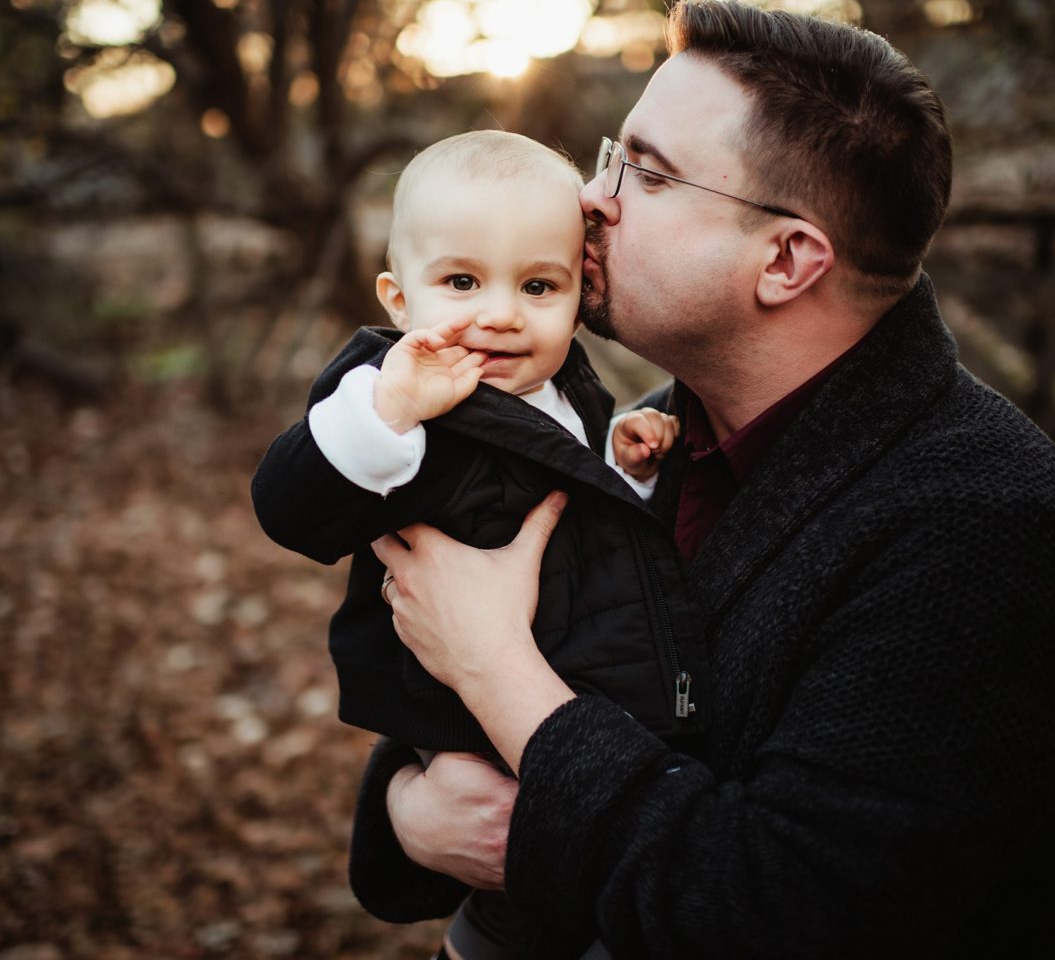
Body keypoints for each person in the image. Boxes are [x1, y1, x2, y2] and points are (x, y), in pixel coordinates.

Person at [352, 0, 1055, 959]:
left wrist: (490, 666)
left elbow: (782, 909)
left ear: (789, 260)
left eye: (646, 171)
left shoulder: (988, 526)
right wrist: (406, 811)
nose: (590, 199)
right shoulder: (658, 432)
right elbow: (530, 694)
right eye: (610, 153)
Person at [249, 130, 710, 960]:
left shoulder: (569, 391)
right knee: (516, 909)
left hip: (573, 709)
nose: (500, 312)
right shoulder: (395, 394)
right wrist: (389, 410)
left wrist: (627, 468)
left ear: (579, 295)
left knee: (580, 894)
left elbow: (579, 521)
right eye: (461, 281)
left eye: (538, 285)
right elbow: (289, 506)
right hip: (466, 722)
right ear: (398, 298)